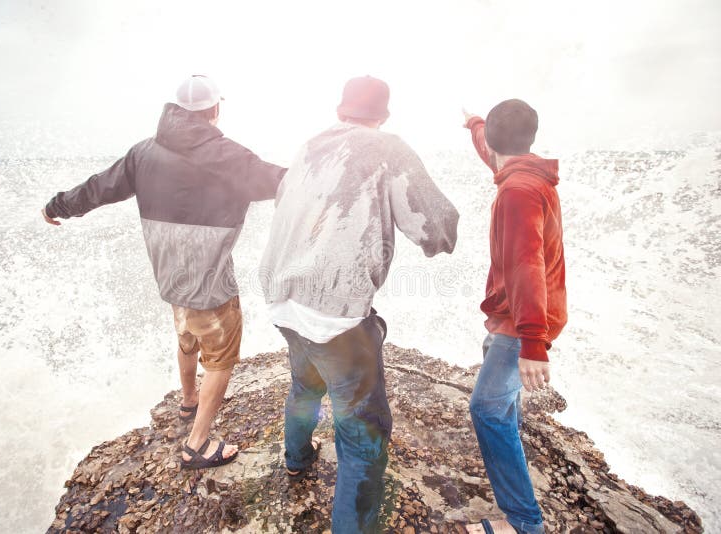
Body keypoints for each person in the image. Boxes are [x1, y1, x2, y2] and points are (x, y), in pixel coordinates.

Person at [42, 75, 286, 470]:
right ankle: (197, 444)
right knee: (221, 361)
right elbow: (281, 181)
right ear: (214, 110)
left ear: (173, 110)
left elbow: (99, 188)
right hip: (210, 285)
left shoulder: (143, 153)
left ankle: (189, 400)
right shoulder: (228, 156)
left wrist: (57, 206)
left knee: (187, 336)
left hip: (170, 279)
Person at [260, 75, 460, 533]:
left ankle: (296, 458)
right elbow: (437, 229)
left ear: (340, 109)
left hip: (282, 297)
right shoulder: (387, 146)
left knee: (305, 383)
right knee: (363, 435)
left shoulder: (309, 146)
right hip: (334, 315)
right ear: (383, 116)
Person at [462, 99, 567, 534]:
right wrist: (473, 122)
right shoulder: (522, 171)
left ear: (494, 143)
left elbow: (526, 266)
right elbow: (490, 149)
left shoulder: (517, 192)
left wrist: (533, 343)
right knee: (500, 402)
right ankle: (513, 446)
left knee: (485, 409)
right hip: (518, 312)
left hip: (522, 318)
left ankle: (525, 523)